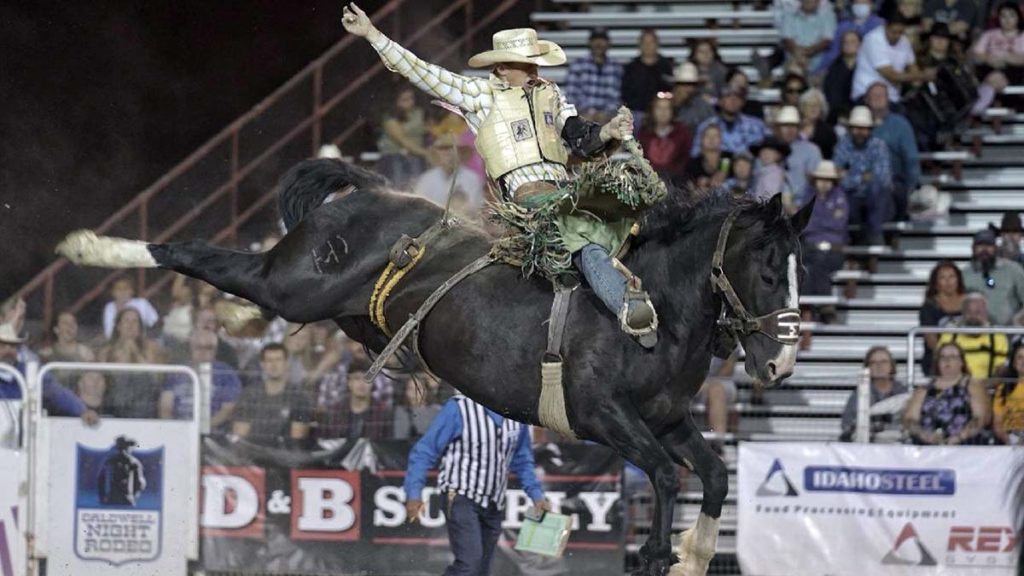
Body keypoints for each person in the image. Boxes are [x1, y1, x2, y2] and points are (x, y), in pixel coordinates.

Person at [344, 8, 660, 345]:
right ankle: (626, 304)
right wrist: (373, 35)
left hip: (569, 191)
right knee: (582, 239)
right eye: (526, 63)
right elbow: (423, 72)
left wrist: (609, 129)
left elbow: (579, 134)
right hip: (531, 199)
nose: (535, 68)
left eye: (534, 61)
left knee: (641, 216)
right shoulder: (480, 96)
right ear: (502, 68)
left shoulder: (550, 94)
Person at [404, 394, 549, 576]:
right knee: (469, 565)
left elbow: (522, 459)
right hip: (459, 494)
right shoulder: (460, 408)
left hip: (494, 501)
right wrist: (413, 492)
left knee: (481, 569)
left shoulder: (518, 413)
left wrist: (536, 495)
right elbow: (425, 451)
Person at [0, 322, 93, 420]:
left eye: (12, 346)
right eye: (2, 346)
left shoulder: (30, 373)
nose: (8, 350)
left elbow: (56, 393)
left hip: (24, 430)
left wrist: (82, 411)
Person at [903, 341, 990, 445]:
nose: (947, 360)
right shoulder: (923, 389)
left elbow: (980, 418)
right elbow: (910, 419)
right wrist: (923, 434)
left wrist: (960, 437)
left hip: (964, 445)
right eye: (943, 357)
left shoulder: (973, 386)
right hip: (928, 446)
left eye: (953, 356)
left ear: (961, 362)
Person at [232, 343, 314, 448]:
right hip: (252, 455)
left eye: (278, 360)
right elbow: (240, 436)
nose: (274, 365)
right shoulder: (249, 395)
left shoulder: (300, 397)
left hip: (284, 456)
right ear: (262, 364)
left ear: (286, 363)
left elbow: (296, 441)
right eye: (269, 360)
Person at [833, 106, 893, 246]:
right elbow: (838, 178)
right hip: (852, 197)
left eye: (864, 128)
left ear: (871, 129)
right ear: (850, 128)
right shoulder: (843, 144)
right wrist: (863, 176)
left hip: (877, 199)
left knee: (877, 189)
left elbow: (882, 178)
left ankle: (875, 234)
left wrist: (851, 175)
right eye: (856, 128)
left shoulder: (879, 146)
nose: (860, 132)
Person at [159, 329, 241, 430]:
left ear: (216, 350)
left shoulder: (226, 373)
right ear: (190, 349)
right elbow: (165, 407)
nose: (203, 352)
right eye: (198, 347)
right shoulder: (179, 371)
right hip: (178, 430)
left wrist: (202, 428)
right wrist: (174, 428)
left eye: (209, 348)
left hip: (213, 431)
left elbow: (228, 410)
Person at [799, 161, 848, 322]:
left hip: (834, 250)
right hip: (811, 247)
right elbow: (805, 225)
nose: (824, 183)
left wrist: (817, 221)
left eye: (828, 180)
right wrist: (827, 220)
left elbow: (839, 224)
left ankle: (820, 307)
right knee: (803, 265)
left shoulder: (840, 197)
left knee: (818, 263)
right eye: (821, 179)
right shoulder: (808, 196)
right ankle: (817, 308)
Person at [853, 9, 936, 102]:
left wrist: (918, 81)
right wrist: (922, 76)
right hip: (866, 95)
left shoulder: (904, 41)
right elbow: (891, 75)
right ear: (885, 27)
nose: (897, 36)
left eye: (900, 32)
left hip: (892, 97)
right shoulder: (874, 39)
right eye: (893, 32)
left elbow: (913, 67)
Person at [865, 81, 919, 222]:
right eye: (874, 95)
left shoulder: (901, 124)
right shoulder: (858, 124)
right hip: (863, 181)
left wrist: (910, 186)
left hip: (894, 181)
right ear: (867, 100)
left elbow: (911, 158)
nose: (877, 98)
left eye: (881, 95)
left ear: (888, 99)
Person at [97, 307, 165, 419]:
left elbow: (156, 379)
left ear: (140, 327)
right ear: (118, 326)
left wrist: (135, 353)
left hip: (145, 407)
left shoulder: (151, 348)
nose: (130, 325)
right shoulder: (106, 352)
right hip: (115, 406)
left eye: (135, 321)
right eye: (126, 321)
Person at [839, 346, 909, 441]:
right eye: (873, 362)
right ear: (868, 368)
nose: (879, 366)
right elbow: (847, 423)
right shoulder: (860, 394)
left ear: (892, 367)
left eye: (884, 362)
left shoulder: (903, 392)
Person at [318, 355, 393, 440]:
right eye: (357, 378)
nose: (362, 384)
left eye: (367, 379)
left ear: (373, 383)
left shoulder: (382, 413)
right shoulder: (335, 412)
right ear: (349, 383)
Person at [938, 293, 1010, 378]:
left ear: (986, 314)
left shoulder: (997, 336)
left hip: (988, 387)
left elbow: (1001, 369)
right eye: (969, 312)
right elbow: (940, 364)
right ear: (962, 314)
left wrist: (982, 387)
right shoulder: (950, 334)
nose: (973, 316)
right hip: (956, 385)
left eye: (978, 312)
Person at [961, 228, 1024, 325]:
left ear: (995, 248)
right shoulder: (964, 274)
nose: (984, 249)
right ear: (973, 248)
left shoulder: (1013, 270)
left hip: (1010, 333)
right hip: (974, 334)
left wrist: (1017, 321)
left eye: (988, 245)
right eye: (980, 245)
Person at [413, 133, 486, 214]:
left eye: (452, 149)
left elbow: (476, 208)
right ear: (437, 154)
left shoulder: (472, 178)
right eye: (443, 149)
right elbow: (418, 208)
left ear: (461, 153)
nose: (448, 153)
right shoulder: (426, 179)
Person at [690, 86, 771, 157]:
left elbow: (772, 149)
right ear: (720, 101)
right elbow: (696, 154)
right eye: (728, 96)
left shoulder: (758, 125)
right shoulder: (706, 126)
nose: (733, 100)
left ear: (743, 102)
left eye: (737, 97)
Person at [563, 28, 623, 123]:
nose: (599, 43)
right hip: (582, 116)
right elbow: (571, 96)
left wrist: (606, 114)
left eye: (602, 40)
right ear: (590, 43)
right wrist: (586, 113)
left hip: (608, 118)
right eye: (595, 40)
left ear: (608, 43)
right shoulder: (577, 65)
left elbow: (617, 97)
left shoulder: (616, 68)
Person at [971, 2, 1024, 109]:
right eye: (1003, 16)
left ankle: (975, 108)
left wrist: (1004, 58)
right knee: (992, 75)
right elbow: (977, 54)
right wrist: (989, 59)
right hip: (989, 67)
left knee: (996, 77)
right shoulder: (989, 34)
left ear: (1018, 17)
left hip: (1015, 71)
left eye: (1011, 15)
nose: (1007, 19)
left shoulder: (1022, 36)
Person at [376, 87, 429, 189]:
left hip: (416, 155)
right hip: (394, 155)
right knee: (397, 187)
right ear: (395, 102)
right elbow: (403, 141)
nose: (410, 102)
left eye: (411, 98)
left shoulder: (419, 113)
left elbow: (430, 129)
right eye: (405, 100)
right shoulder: (389, 118)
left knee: (418, 186)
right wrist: (427, 153)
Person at [920, 260, 967, 374]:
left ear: (958, 279)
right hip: (937, 359)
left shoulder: (970, 302)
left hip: (968, 355)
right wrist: (947, 358)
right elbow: (931, 339)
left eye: (952, 276)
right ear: (936, 282)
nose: (948, 281)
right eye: (942, 277)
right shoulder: (929, 306)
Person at [621, 29, 674, 129]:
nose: (648, 46)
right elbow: (626, 95)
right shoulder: (631, 68)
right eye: (645, 42)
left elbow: (669, 90)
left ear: (657, 44)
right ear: (639, 45)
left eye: (651, 42)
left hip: (661, 110)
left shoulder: (665, 66)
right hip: (637, 112)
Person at [817, 0, 885, 74]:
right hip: (845, 69)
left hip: (872, 69)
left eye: (863, 3)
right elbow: (834, 52)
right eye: (857, 3)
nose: (860, 6)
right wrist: (821, 70)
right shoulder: (843, 26)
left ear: (871, 5)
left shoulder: (880, 25)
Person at [638, 94, 691, 180]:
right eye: (659, 108)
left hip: (675, 180)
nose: (663, 112)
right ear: (652, 111)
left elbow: (685, 159)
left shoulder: (682, 133)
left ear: (672, 111)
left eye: (667, 108)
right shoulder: (644, 133)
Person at [774, 105, 823, 200]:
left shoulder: (811, 150)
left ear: (799, 128)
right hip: (771, 204)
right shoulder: (768, 149)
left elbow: (817, 183)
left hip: (801, 204)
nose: (790, 130)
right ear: (778, 128)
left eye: (793, 126)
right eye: (785, 125)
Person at [781, 0, 838, 73]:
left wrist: (807, 52)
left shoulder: (828, 16)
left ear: (818, 1)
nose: (808, 1)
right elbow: (786, 39)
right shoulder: (788, 15)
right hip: (793, 60)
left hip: (820, 64)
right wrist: (798, 53)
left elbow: (826, 41)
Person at [825, 30, 862, 124]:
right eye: (845, 42)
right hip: (839, 115)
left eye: (853, 41)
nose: (848, 44)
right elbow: (832, 95)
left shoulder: (866, 66)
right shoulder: (834, 68)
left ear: (860, 44)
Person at [97, 436, 146, 506]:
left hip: (113, 498)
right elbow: (140, 483)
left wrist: (102, 497)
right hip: (125, 499)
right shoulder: (133, 462)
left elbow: (100, 480)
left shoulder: (110, 461)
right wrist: (134, 496)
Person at [680, 122, 731, 191]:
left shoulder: (727, 157)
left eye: (715, 136)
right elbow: (689, 184)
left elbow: (723, 173)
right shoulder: (693, 163)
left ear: (721, 139)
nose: (711, 139)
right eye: (707, 136)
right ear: (701, 139)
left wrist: (708, 181)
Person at [993, 342, 1024, 444]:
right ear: (1014, 363)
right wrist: (1010, 441)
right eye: (1019, 357)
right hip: (1010, 439)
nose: (1023, 361)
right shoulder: (1003, 388)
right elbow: (997, 423)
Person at [670, 62, 715, 130]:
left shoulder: (703, 107)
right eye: (684, 84)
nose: (688, 89)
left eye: (692, 85)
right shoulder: (666, 104)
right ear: (676, 86)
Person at [751, 136, 793, 202]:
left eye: (770, 151)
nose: (766, 154)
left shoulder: (774, 174)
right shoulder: (763, 172)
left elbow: (770, 198)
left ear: (778, 155)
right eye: (763, 151)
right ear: (759, 155)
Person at [799, 88, 837, 157]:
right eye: (809, 105)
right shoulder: (795, 126)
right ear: (803, 108)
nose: (813, 108)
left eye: (816, 105)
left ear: (821, 109)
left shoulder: (828, 131)